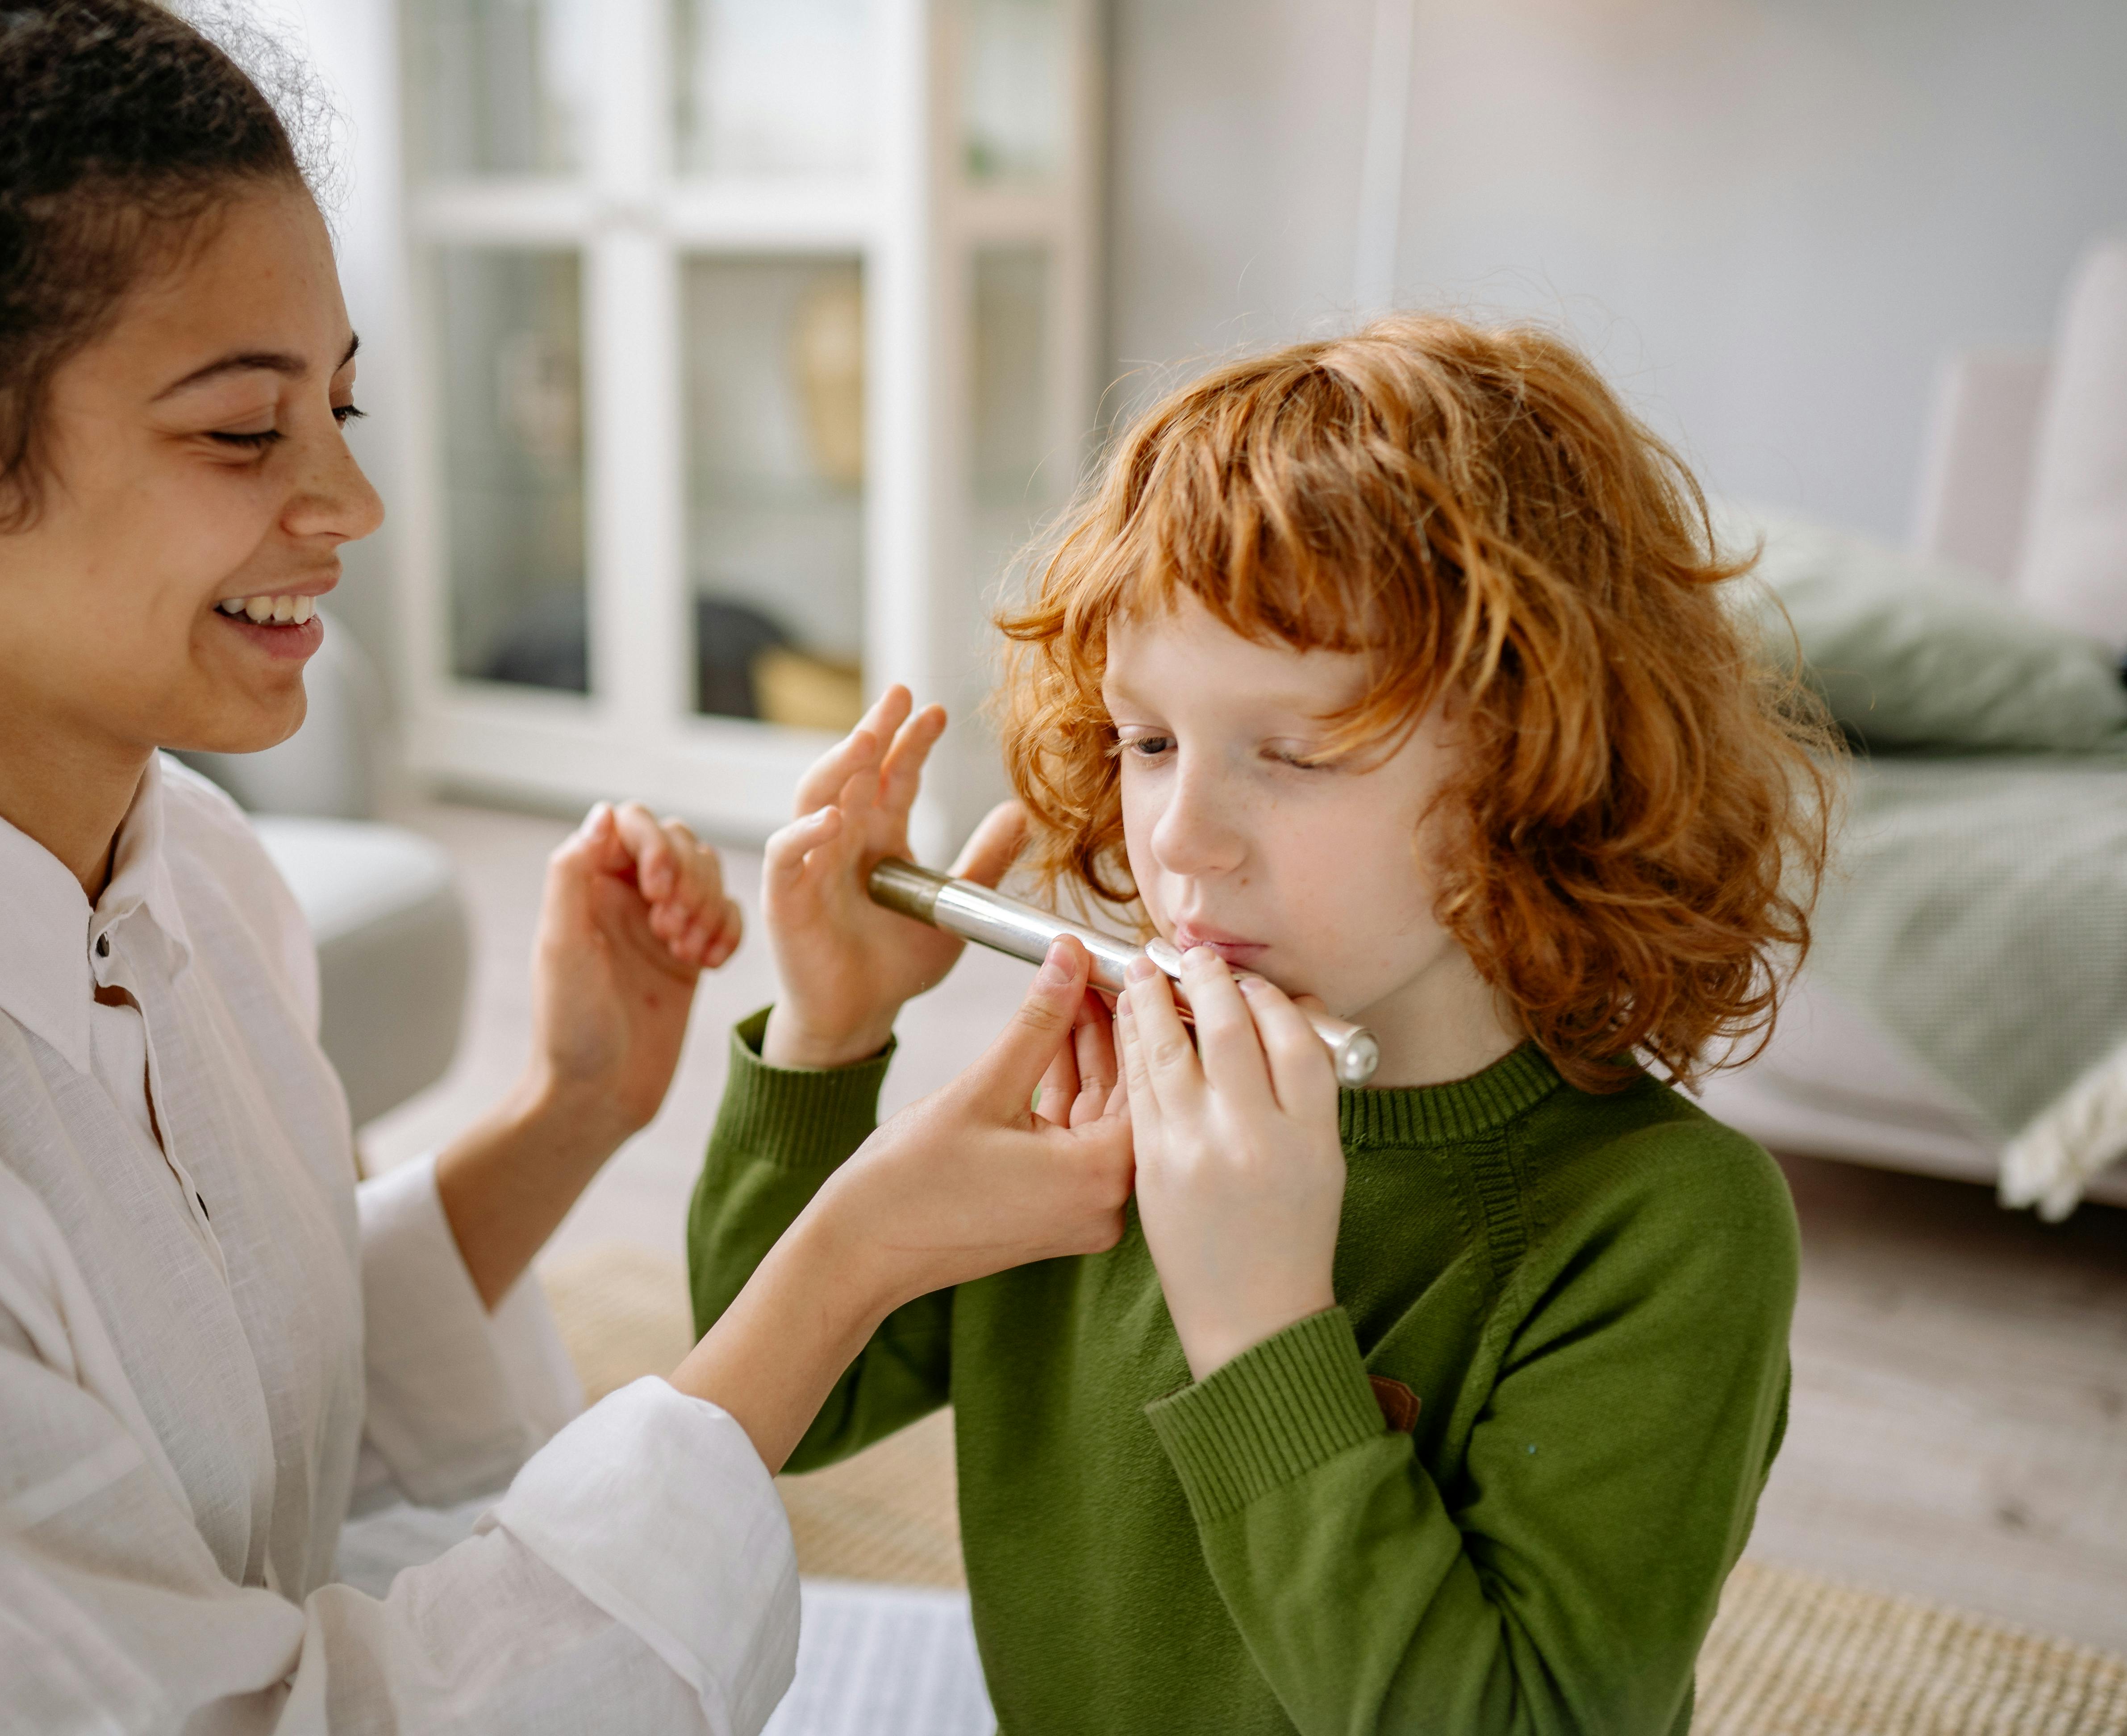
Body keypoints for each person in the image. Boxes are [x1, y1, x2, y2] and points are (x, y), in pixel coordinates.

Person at [0, 0, 1135, 1730]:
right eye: (241, 427)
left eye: (336, 409)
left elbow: (221, 1389)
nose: (348, 502)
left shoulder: (188, 866)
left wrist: (573, 1106)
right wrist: (849, 1257)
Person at [688, 317, 1835, 1733]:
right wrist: (830, 1033)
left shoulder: (1668, 1231)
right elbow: (792, 1407)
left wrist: (1258, 1322)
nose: (1181, 839)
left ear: (1536, 761)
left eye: (1291, 753)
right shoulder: (1098, 1097)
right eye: (1148, 740)